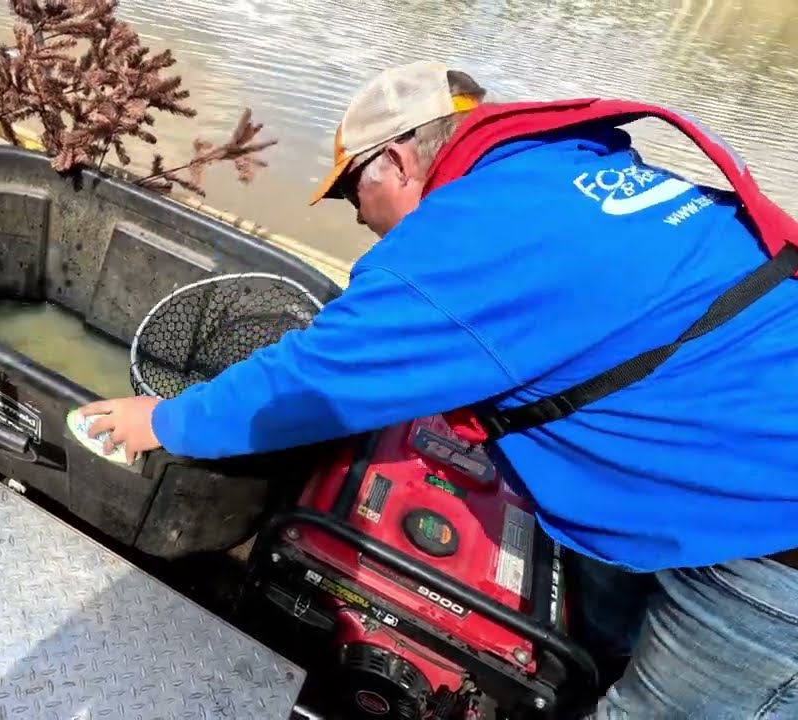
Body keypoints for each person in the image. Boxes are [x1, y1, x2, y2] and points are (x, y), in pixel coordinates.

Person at [77, 60, 798, 718]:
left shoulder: (464, 239)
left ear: (393, 161)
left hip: (768, 531)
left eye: (357, 197)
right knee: (600, 625)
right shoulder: (561, 165)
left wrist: (165, 422)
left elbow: (305, 381)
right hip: (724, 447)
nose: (362, 223)